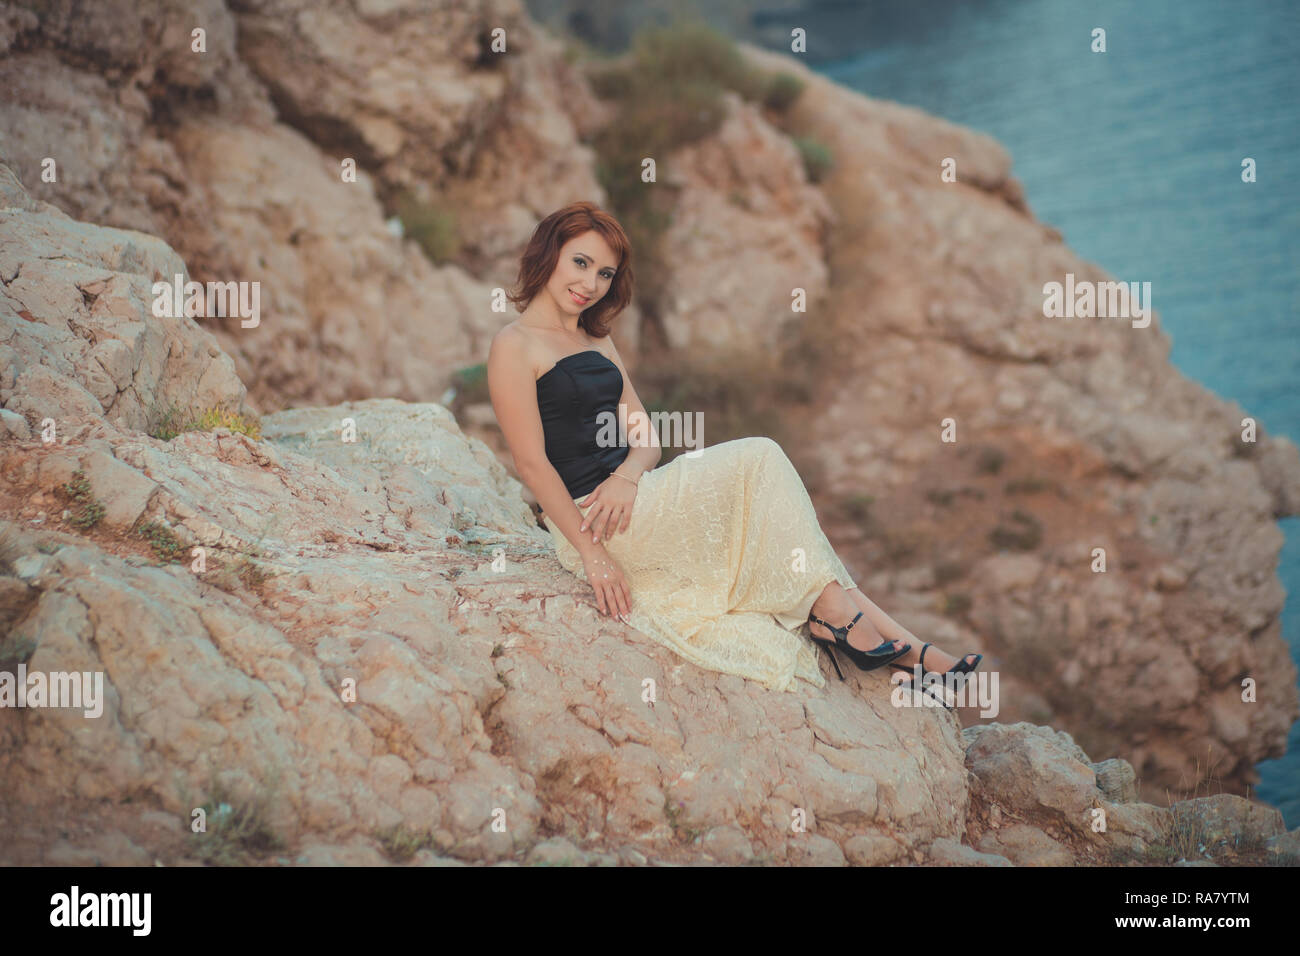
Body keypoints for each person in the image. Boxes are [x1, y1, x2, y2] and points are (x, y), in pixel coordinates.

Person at [487, 201, 981, 696]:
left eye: (605, 273)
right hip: (593, 520)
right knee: (760, 457)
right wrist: (593, 555)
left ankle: (912, 652)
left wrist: (627, 476)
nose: (591, 283)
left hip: (636, 494)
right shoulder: (515, 345)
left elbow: (647, 440)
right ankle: (880, 638)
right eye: (580, 262)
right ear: (549, 253)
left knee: (796, 537)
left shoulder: (596, 339)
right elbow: (531, 463)